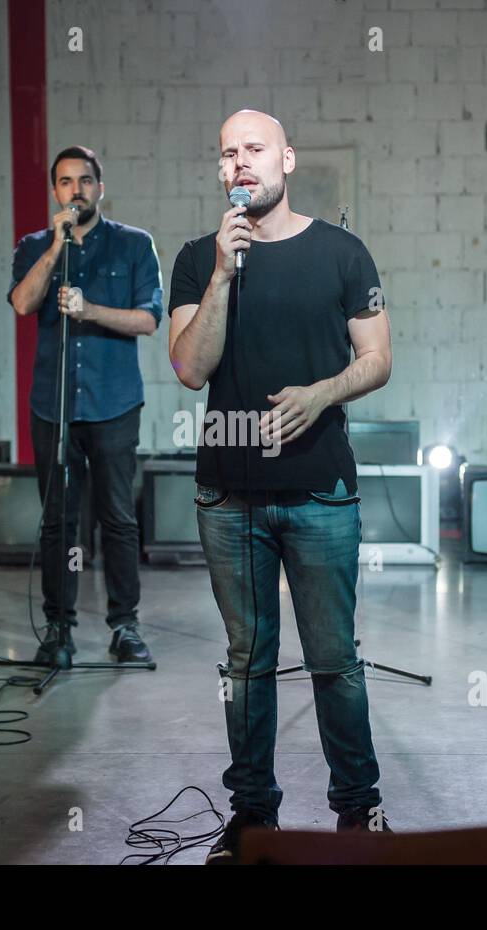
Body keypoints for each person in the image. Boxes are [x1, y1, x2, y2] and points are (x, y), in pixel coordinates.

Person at [168, 110, 394, 863]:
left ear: (286, 159)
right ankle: (252, 815)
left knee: (334, 658)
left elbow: (378, 358)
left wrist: (323, 393)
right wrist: (224, 275)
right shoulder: (200, 257)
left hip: (319, 492)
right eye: (228, 151)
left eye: (255, 149)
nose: (241, 162)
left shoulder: (342, 252)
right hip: (227, 498)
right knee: (246, 662)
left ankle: (359, 811)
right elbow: (191, 366)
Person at [9, 146, 163, 665]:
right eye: (65, 182)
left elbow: (148, 320)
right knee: (57, 522)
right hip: (52, 406)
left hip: (114, 404)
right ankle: (58, 628)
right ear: (55, 191)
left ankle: (125, 627)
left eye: (85, 181)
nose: (76, 190)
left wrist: (91, 309)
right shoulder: (35, 246)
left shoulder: (134, 245)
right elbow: (23, 304)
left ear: (101, 187)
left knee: (117, 517)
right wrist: (55, 248)